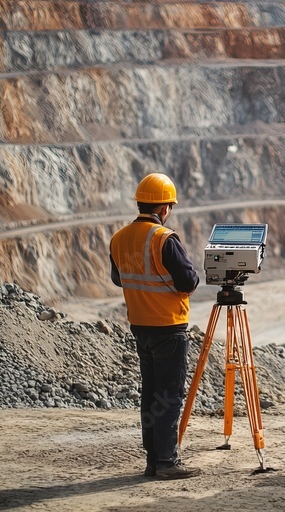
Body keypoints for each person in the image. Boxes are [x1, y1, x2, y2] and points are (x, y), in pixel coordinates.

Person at [109, 173, 202, 480]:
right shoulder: (164, 238)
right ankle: (166, 462)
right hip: (168, 327)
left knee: (151, 394)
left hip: (140, 327)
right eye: (170, 207)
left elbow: (118, 278)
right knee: (169, 396)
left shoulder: (119, 238)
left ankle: (153, 460)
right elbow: (188, 281)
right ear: (164, 208)